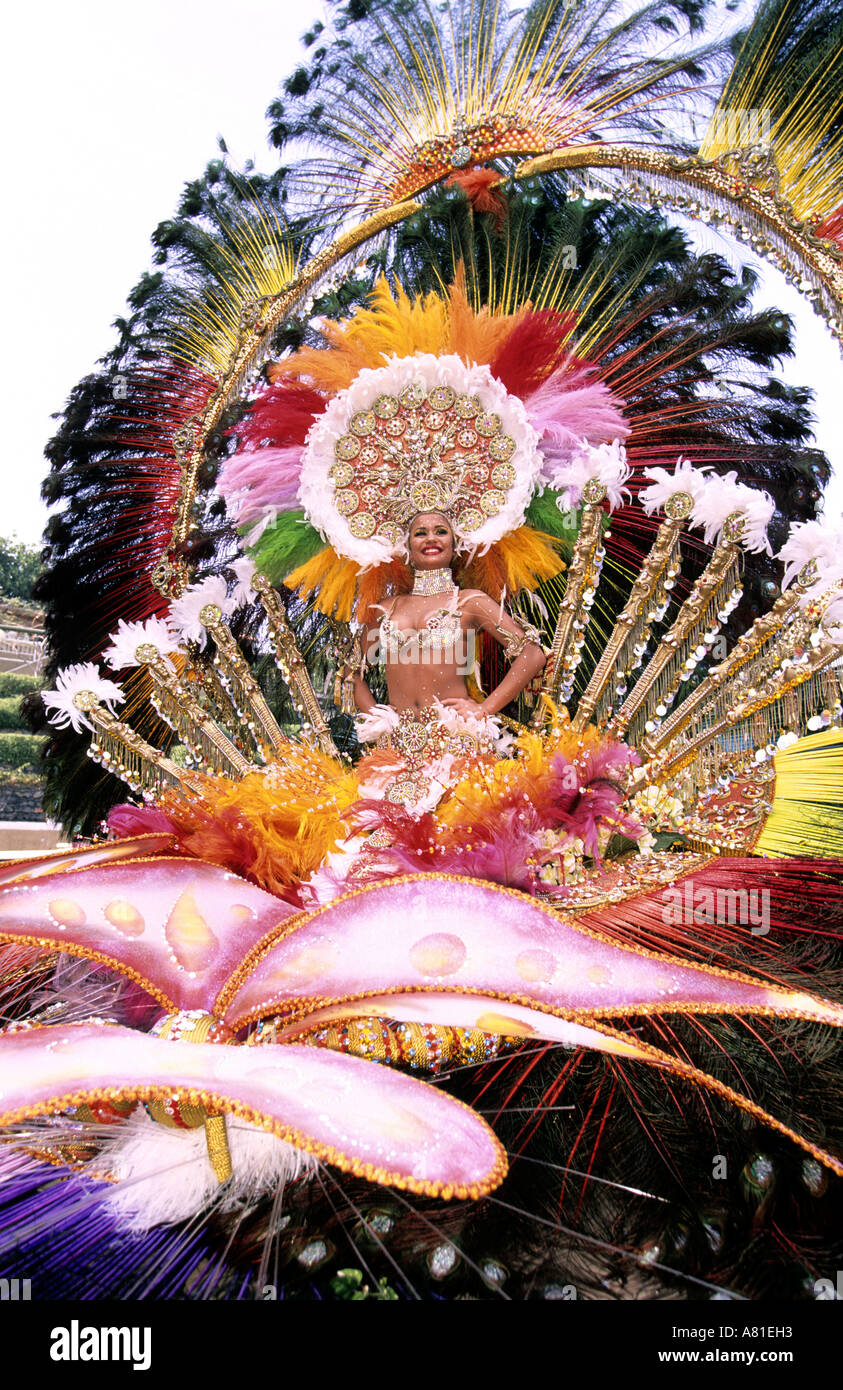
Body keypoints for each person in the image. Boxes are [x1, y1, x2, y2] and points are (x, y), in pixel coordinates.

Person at [347, 510, 546, 810]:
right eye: (420, 532)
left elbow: (533, 655)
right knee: (376, 845)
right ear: (407, 547)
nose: (430, 538)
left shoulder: (470, 601)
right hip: (394, 753)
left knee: (454, 844)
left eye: (440, 531)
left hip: (456, 746)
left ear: (455, 545)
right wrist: (379, 718)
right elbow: (353, 675)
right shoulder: (384, 609)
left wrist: (483, 709)